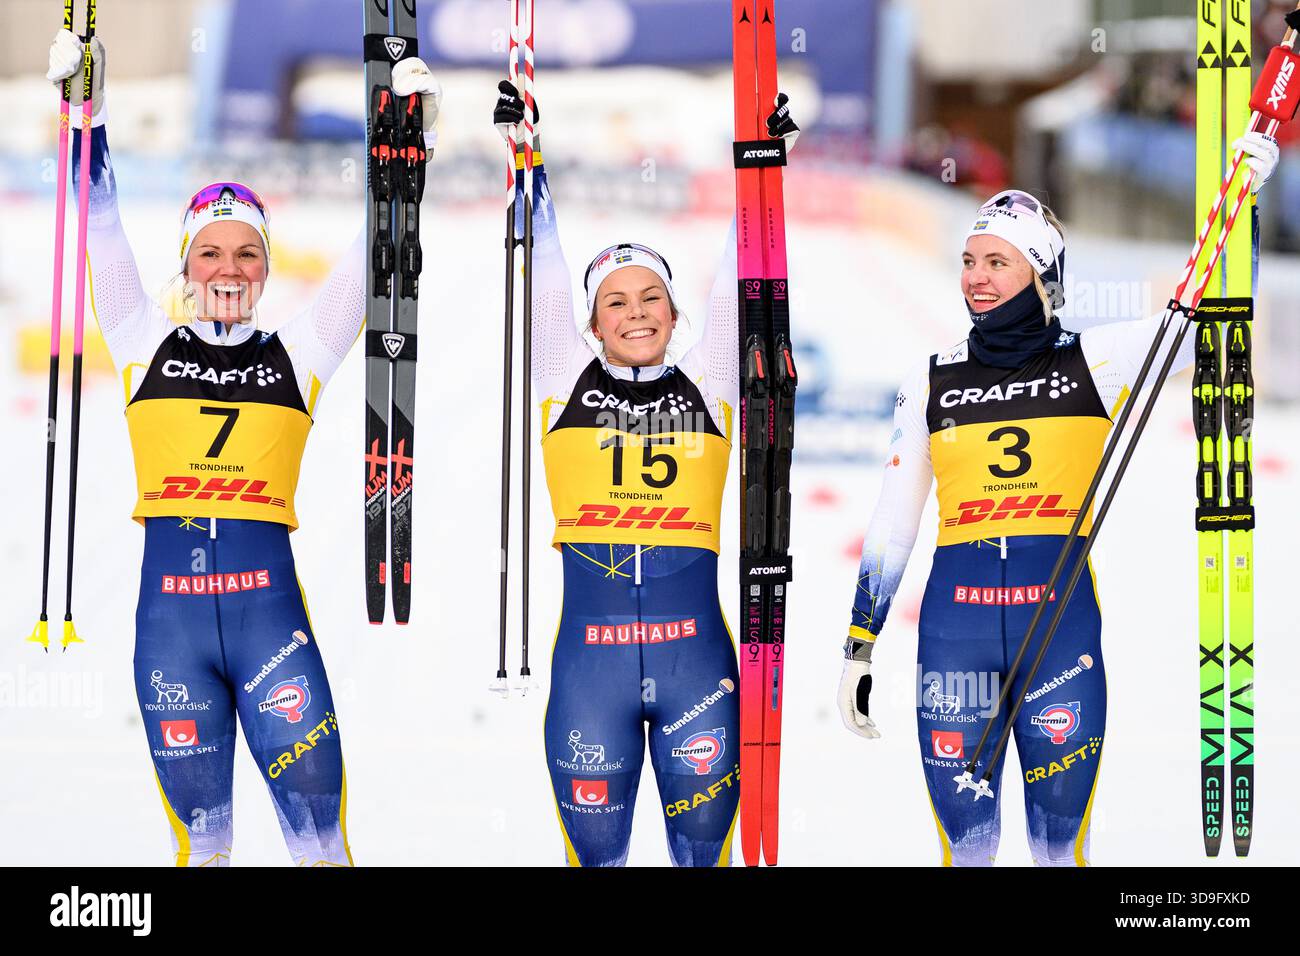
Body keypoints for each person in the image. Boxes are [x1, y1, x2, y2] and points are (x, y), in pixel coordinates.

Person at [45, 29, 440, 866]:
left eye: (248, 252)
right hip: (171, 638)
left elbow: (374, 265)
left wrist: (409, 151)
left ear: (265, 268)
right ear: (188, 264)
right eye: (211, 250)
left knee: (321, 845)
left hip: (273, 634)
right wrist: (90, 113)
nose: (230, 266)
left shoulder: (297, 356)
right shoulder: (142, 341)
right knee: (209, 847)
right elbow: (101, 223)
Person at [835, 136, 1277, 867]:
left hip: (1060, 641)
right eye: (970, 260)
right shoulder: (933, 381)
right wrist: (861, 639)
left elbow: (1206, 317)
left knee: (1059, 850)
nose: (976, 278)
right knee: (967, 850)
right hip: (954, 640)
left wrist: (1245, 207)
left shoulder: (1094, 362)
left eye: (997, 261)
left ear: (1041, 274)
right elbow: (892, 522)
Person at [493, 82, 797, 866]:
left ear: (673, 310)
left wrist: (762, 167)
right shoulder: (564, 380)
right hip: (588, 679)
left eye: (652, 297)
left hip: (697, 668)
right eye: (616, 302)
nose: (636, 313)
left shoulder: (712, 384)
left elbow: (743, 273)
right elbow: (544, 272)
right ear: (592, 324)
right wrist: (528, 163)